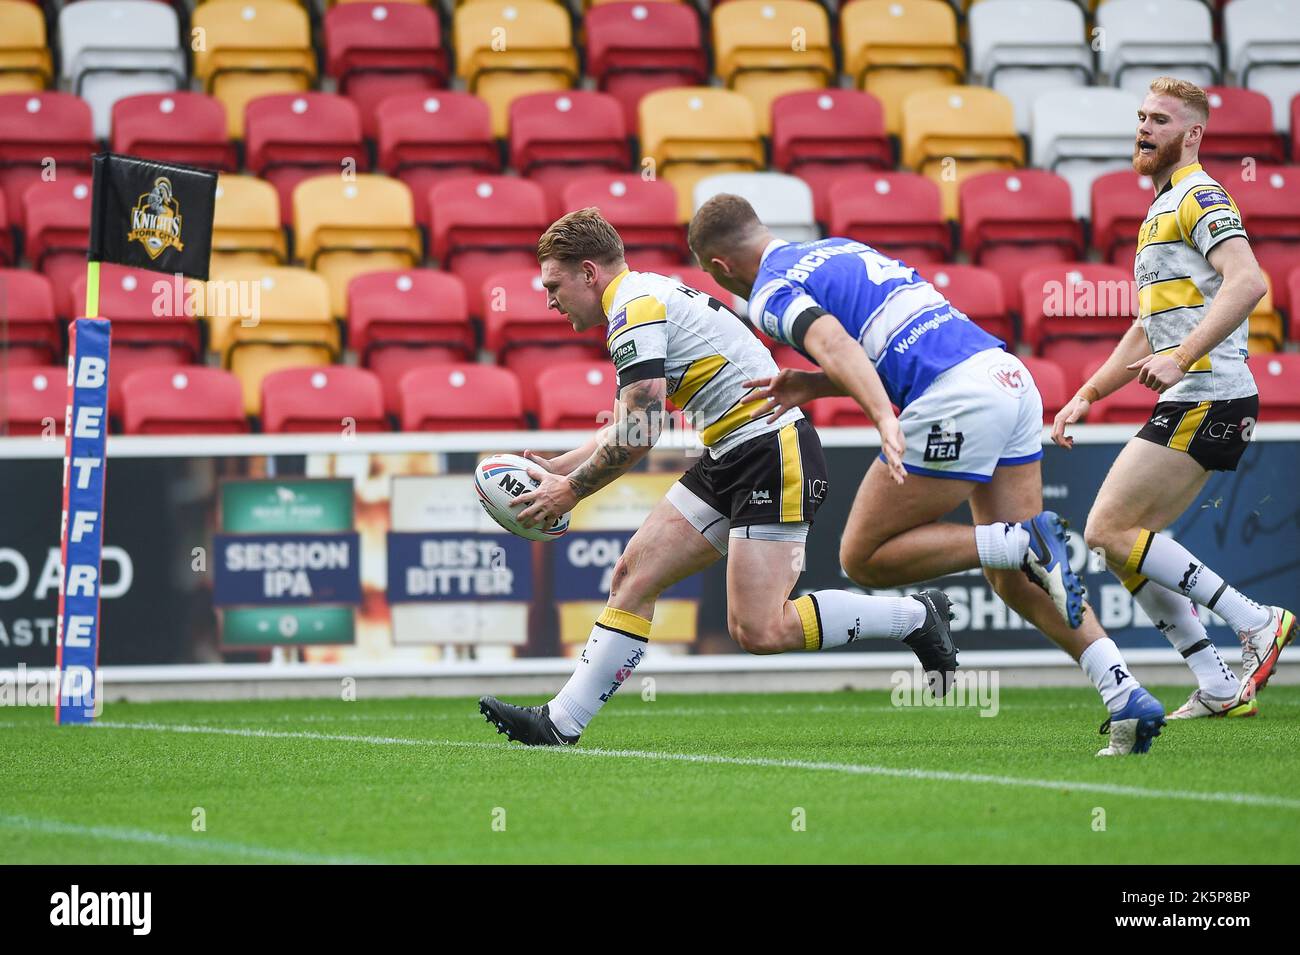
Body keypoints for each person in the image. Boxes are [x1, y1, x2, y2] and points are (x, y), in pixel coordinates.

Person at [688, 195, 1165, 755]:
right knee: (1014, 576)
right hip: (1006, 377)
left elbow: (836, 344)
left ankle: (1020, 541)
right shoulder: (835, 249)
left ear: (719, 268)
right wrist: (815, 385)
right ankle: (1123, 691)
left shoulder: (769, 291)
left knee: (863, 556)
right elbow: (887, 344)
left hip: (953, 398)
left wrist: (884, 416)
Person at [478, 208, 958, 747]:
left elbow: (643, 427)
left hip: (772, 452)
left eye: (553, 284)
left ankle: (915, 615)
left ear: (588, 273)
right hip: (734, 450)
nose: (548, 299)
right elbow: (626, 423)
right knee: (633, 575)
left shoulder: (635, 307)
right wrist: (559, 466)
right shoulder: (638, 299)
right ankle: (559, 725)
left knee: (760, 630)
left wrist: (572, 490)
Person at [1052, 77, 1295, 720]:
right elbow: (1145, 329)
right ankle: (1214, 681)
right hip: (1194, 397)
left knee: (1107, 529)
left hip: (1211, 395)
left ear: (1191, 135)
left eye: (1159, 119)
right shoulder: (1159, 209)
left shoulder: (1200, 195)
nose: (1144, 128)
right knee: (1123, 539)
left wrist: (1182, 357)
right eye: (1141, 116)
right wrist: (1089, 393)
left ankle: (1256, 621)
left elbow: (1249, 283)